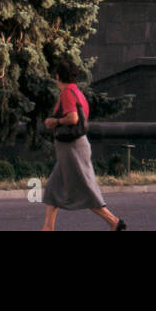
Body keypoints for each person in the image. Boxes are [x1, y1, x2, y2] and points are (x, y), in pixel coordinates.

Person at [40, 61, 125, 231]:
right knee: (52, 189)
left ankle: (114, 222)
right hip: (71, 149)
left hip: (73, 149)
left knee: (86, 190)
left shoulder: (67, 93)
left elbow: (73, 118)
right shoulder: (77, 92)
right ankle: (48, 228)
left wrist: (54, 121)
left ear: (59, 76)